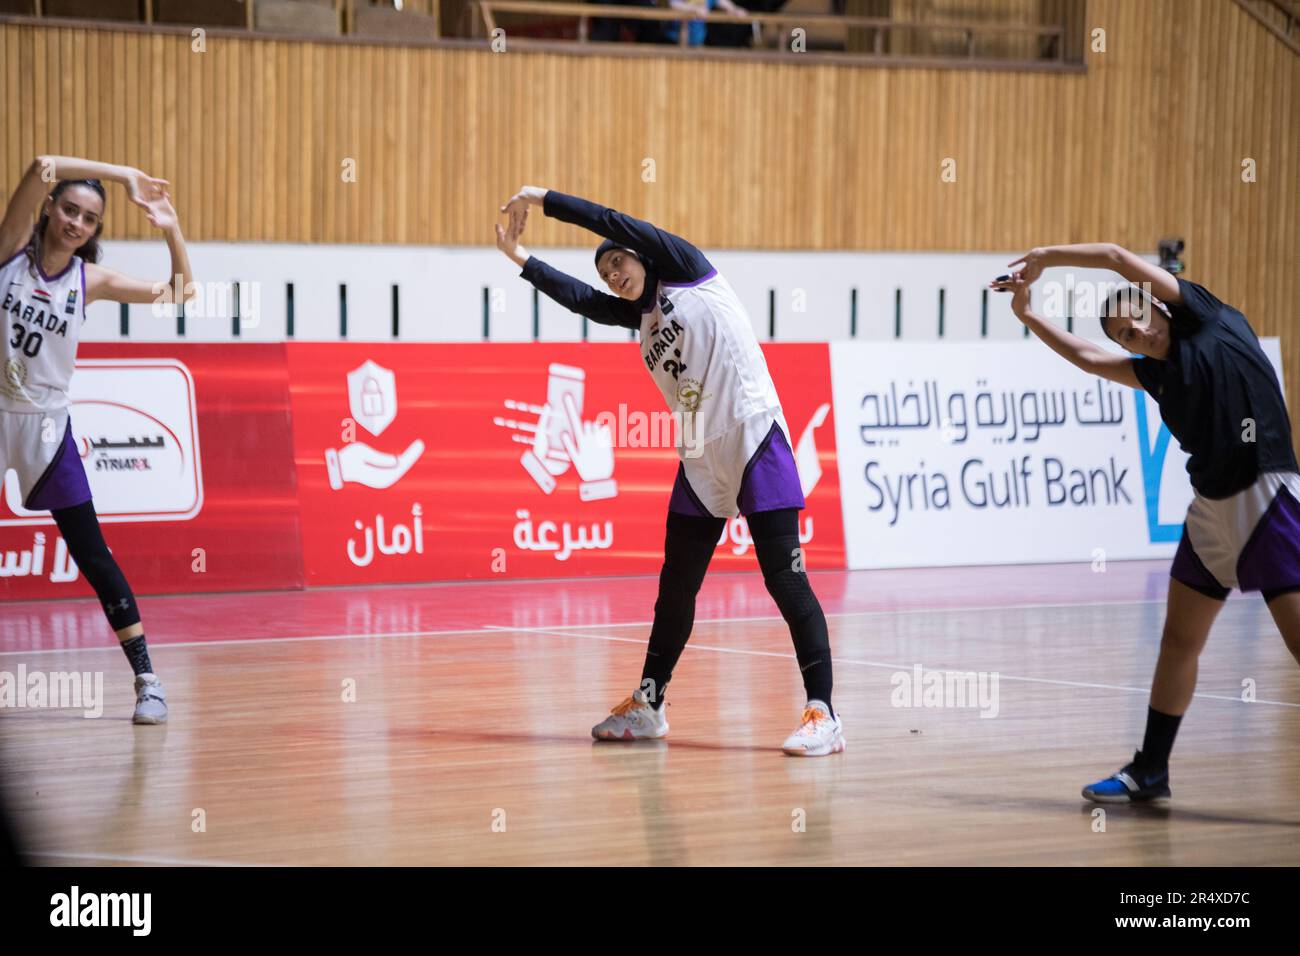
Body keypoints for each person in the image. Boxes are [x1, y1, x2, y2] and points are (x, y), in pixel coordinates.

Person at [495, 186, 843, 755]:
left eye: (618, 261)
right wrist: (520, 260)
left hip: (752, 433)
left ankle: (823, 714)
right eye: (605, 271)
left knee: (784, 579)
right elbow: (580, 299)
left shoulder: (687, 269)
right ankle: (650, 705)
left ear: (642, 254)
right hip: (698, 454)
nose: (611, 275)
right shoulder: (640, 318)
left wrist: (543, 197)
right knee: (674, 590)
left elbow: (611, 219)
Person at [993, 244, 1300, 804]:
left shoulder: (1209, 317)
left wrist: (1045, 257)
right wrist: (1029, 314)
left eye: (1137, 316)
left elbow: (1113, 256)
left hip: (1266, 497)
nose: (1135, 331)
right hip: (1211, 512)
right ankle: (1150, 770)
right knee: (1178, 641)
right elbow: (1086, 357)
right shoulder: (1154, 376)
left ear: (1156, 304)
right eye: (1123, 334)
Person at [0, 155, 195, 724]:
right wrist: (125, 176)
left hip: (46, 428)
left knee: (93, 554)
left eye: (88, 218)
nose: (76, 222)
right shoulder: (11, 251)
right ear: (49, 211)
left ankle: (148, 682)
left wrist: (170, 227)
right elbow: (42, 163)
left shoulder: (91, 280)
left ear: (93, 232)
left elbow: (180, 293)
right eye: (69, 208)